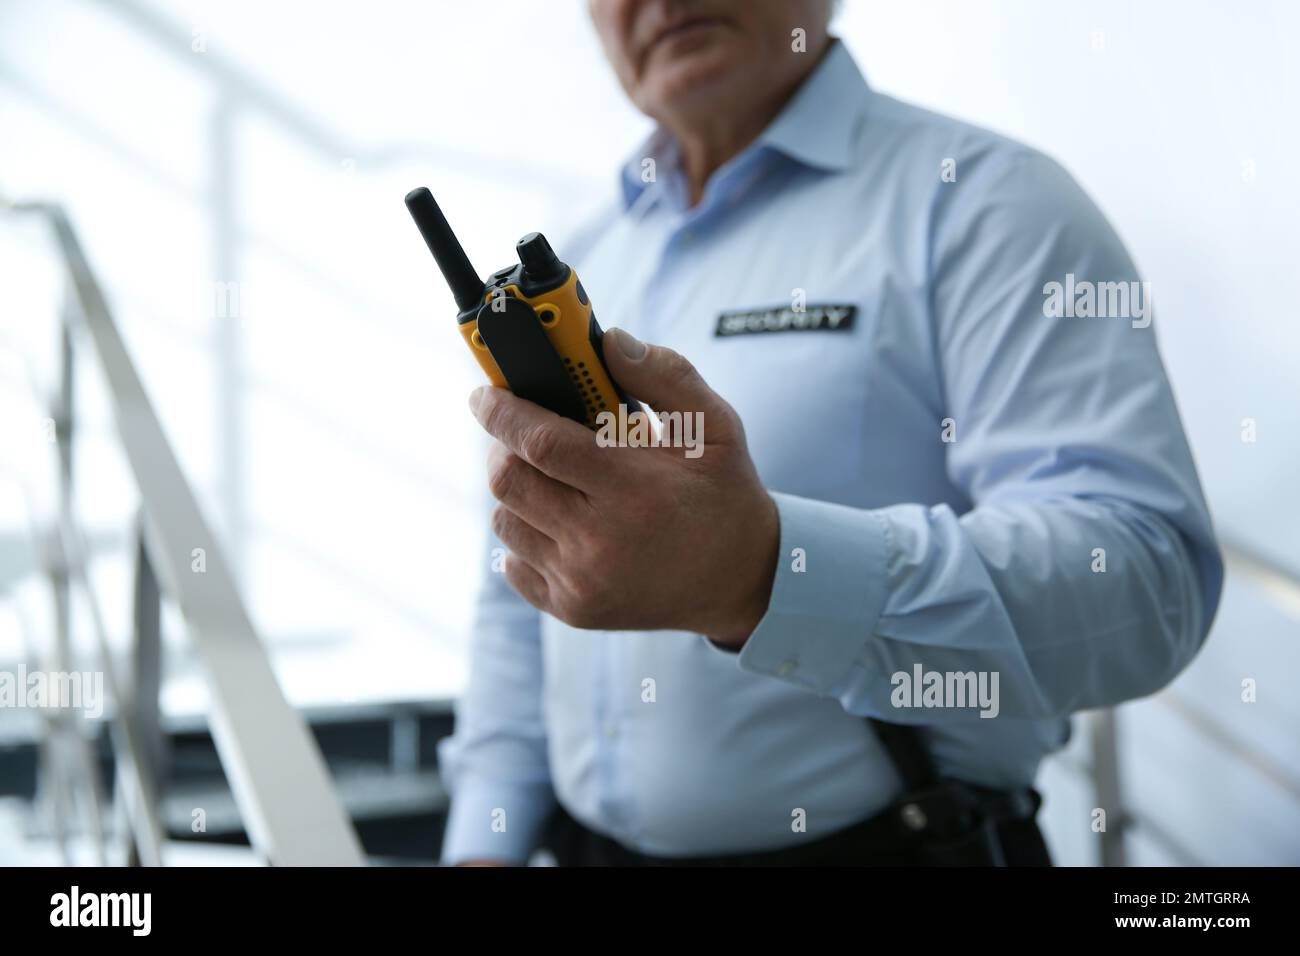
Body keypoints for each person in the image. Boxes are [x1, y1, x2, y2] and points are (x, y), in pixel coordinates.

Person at [437, 0, 1223, 866]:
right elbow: (519, 588)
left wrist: (764, 576)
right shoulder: (594, 252)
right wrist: (485, 837)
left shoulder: (989, 203)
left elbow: (1148, 583)